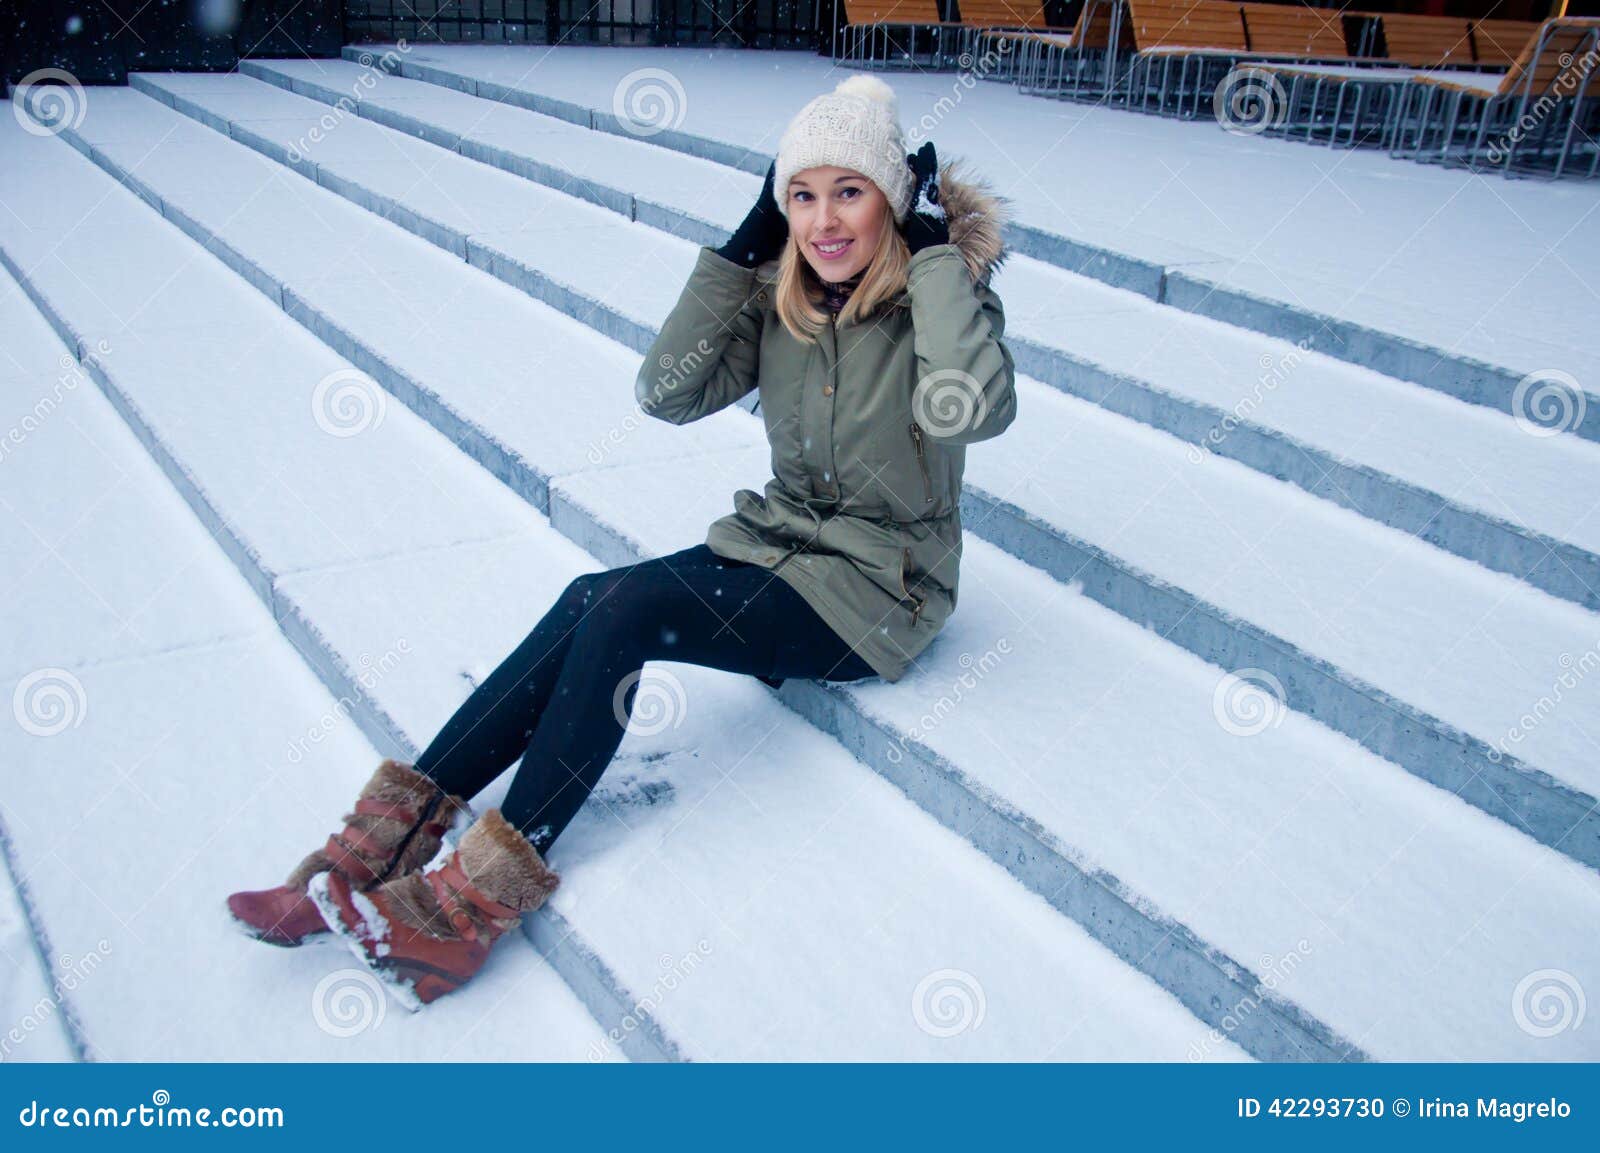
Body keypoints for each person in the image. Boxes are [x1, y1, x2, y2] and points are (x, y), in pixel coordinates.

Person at [225, 74, 1018, 1009]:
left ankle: (458, 919)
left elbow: (972, 408)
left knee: (629, 610)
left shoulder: (939, 299)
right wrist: (740, 252)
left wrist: (934, 260)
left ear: (895, 199)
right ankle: (363, 860)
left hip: (881, 590)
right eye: (801, 194)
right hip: (779, 545)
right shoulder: (785, 298)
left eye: (850, 191)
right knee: (587, 598)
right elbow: (666, 391)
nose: (824, 220)